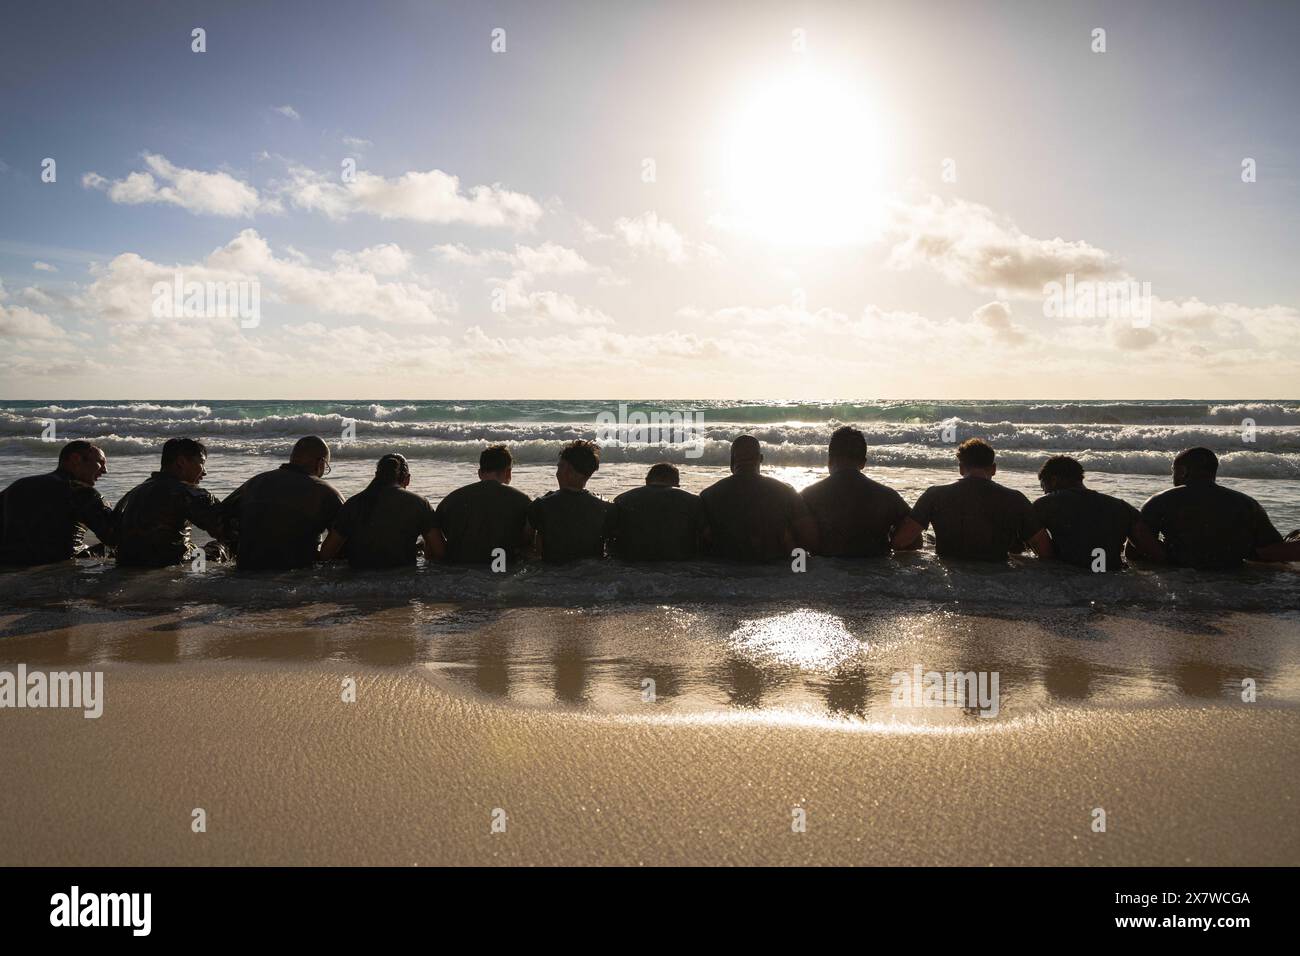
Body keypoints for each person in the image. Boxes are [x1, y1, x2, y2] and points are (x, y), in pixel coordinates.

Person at [891, 438, 1052, 561]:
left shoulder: (935, 495)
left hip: (951, 574)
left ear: (961, 468)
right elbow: (1044, 550)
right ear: (994, 469)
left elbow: (901, 541)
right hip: (999, 577)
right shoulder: (1015, 499)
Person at [1138, 447, 1298, 568]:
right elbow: (1274, 550)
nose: (1172, 477)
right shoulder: (1247, 503)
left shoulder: (1158, 501)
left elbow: (1135, 551)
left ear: (1183, 471)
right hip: (1231, 571)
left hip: (1179, 569)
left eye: (1173, 472)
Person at [219, 436, 344, 570]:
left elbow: (220, 517)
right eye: (326, 467)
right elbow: (349, 534)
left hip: (245, 568)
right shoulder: (326, 492)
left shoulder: (254, 482)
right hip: (293, 574)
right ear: (320, 463)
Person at [1032, 455, 1164, 571]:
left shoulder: (1046, 504)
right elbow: (1153, 551)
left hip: (1070, 577)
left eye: (1043, 487)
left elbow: (1040, 549)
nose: (1045, 492)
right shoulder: (1122, 507)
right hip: (1112, 576)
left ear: (1054, 480)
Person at [699, 435, 818, 561]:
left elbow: (699, 544)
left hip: (726, 573)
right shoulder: (786, 492)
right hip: (775, 573)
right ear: (761, 459)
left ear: (732, 461)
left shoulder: (708, 495)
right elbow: (810, 541)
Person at [800, 426, 912, 557]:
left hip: (827, 572)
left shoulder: (808, 496)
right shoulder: (888, 496)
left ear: (830, 460)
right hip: (876, 571)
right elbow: (914, 542)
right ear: (863, 463)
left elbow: (798, 541)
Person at [0, 440, 117, 565]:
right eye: (100, 462)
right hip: (52, 566)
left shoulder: (16, 487)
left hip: (7, 563)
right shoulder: (81, 492)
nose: (105, 470)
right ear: (76, 459)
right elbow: (114, 537)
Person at [114, 438, 226, 567]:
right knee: (220, 546)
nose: (205, 472)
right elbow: (223, 526)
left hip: (125, 564)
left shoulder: (134, 492)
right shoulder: (182, 492)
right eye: (201, 462)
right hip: (167, 564)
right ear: (181, 462)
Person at [319, 454, 442, 568]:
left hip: (358, 578)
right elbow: (440, 552)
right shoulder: (419, 503)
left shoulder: (353, 503)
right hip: (403, 579)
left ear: (377, 475)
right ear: (407, 479)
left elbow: (326, 553)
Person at [435, 445, 533, 566]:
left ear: (480, 473)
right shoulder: (523, 501)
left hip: (459, 569)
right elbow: (528, 541)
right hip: (501, 568)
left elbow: (434, 543)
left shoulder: (450, 501)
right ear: (508, 473)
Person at [528, 440, 610, 563]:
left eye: (559, 466)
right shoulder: (606, 507)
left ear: (567, 469)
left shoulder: (541, 505)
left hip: (551, 573)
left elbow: (530, 547)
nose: (557, 472)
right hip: (593, 574)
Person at [607, 462, 705, 561]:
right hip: (679, 562)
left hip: (633, 562)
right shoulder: (693, 501)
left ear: (647, 480)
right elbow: (705, 535)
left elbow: (611, 536)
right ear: (676, 481)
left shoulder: (622, 499)